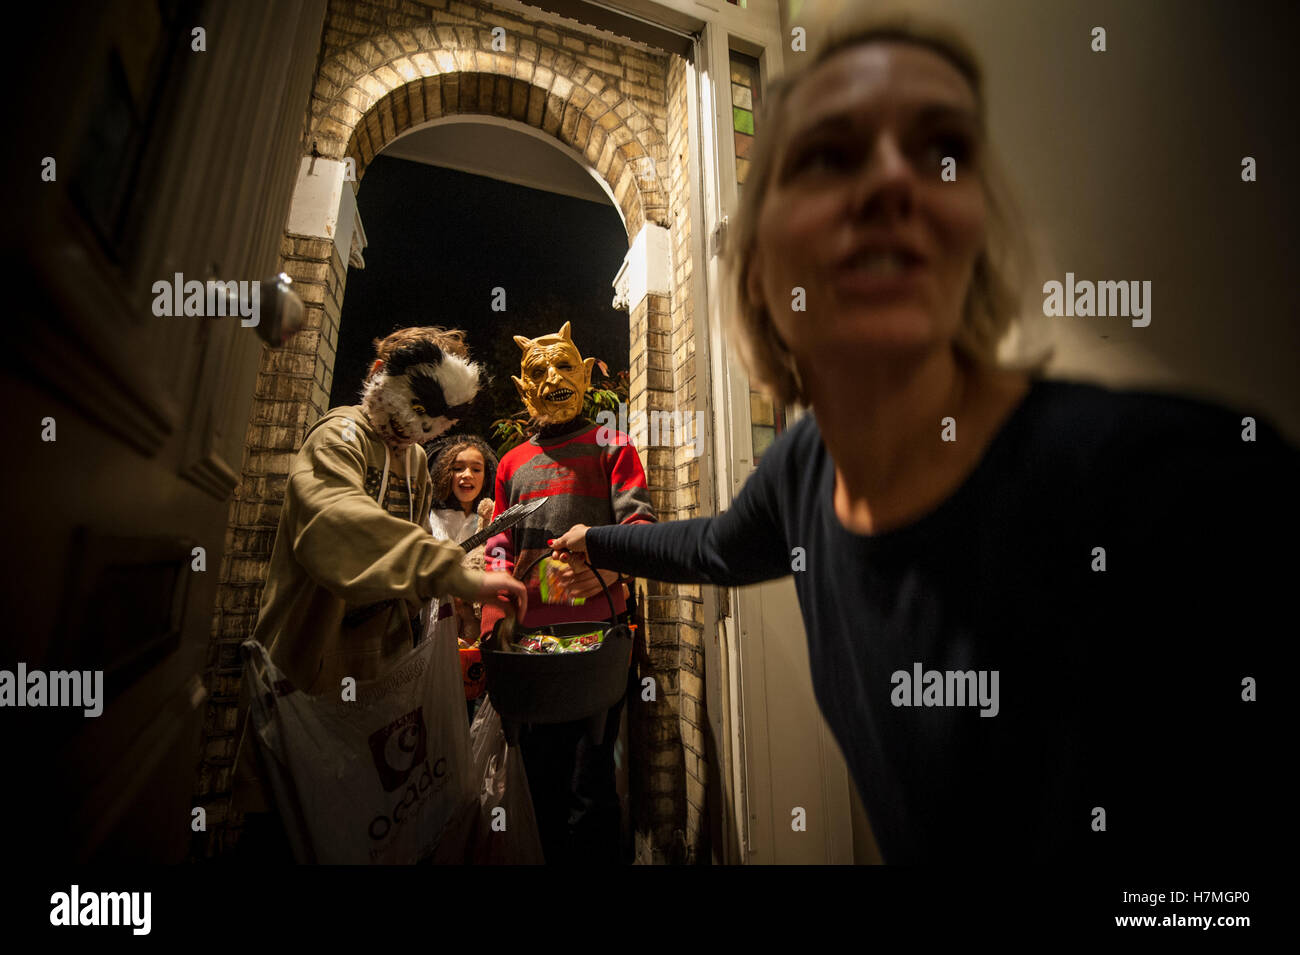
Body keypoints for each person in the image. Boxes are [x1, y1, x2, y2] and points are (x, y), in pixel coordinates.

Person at [551, 16, 1295, 864]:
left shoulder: (1180, 487)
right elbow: (718, 545)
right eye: (831, 155)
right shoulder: (804, 468)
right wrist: (600, 541)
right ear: (759, 263)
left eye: (944, 149)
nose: (895, 182)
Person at [232, 326, 527, 859]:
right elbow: (335, 523)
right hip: (309, 670)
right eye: (413, 416)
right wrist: (456, 573)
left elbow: (408, 568)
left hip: (376, 681)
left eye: (432, 425)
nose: (416, 434)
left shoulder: (414, 459)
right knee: (289, 828)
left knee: (365, 823)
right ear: (378, 377)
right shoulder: (338, 438)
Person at [481, 321, 655, 865]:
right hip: (528, 645)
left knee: (590, 780)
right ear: (522, 387)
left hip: (598, 640)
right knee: (539, 781)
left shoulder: (612, 443)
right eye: (539, 371)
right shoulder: (510, 463)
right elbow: (499, 546)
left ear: (583, 375)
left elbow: (642, 531)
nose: (554, 378)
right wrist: (492, 629)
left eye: (563, 367)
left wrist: (607, 567)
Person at [424, 434, 498, 721]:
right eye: (458, 467)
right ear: (445, 471)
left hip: (479, 634)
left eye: (476, 469)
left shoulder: (492, 519)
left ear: (486, 474)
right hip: (434, 627)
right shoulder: (429, 516)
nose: (467, 475)